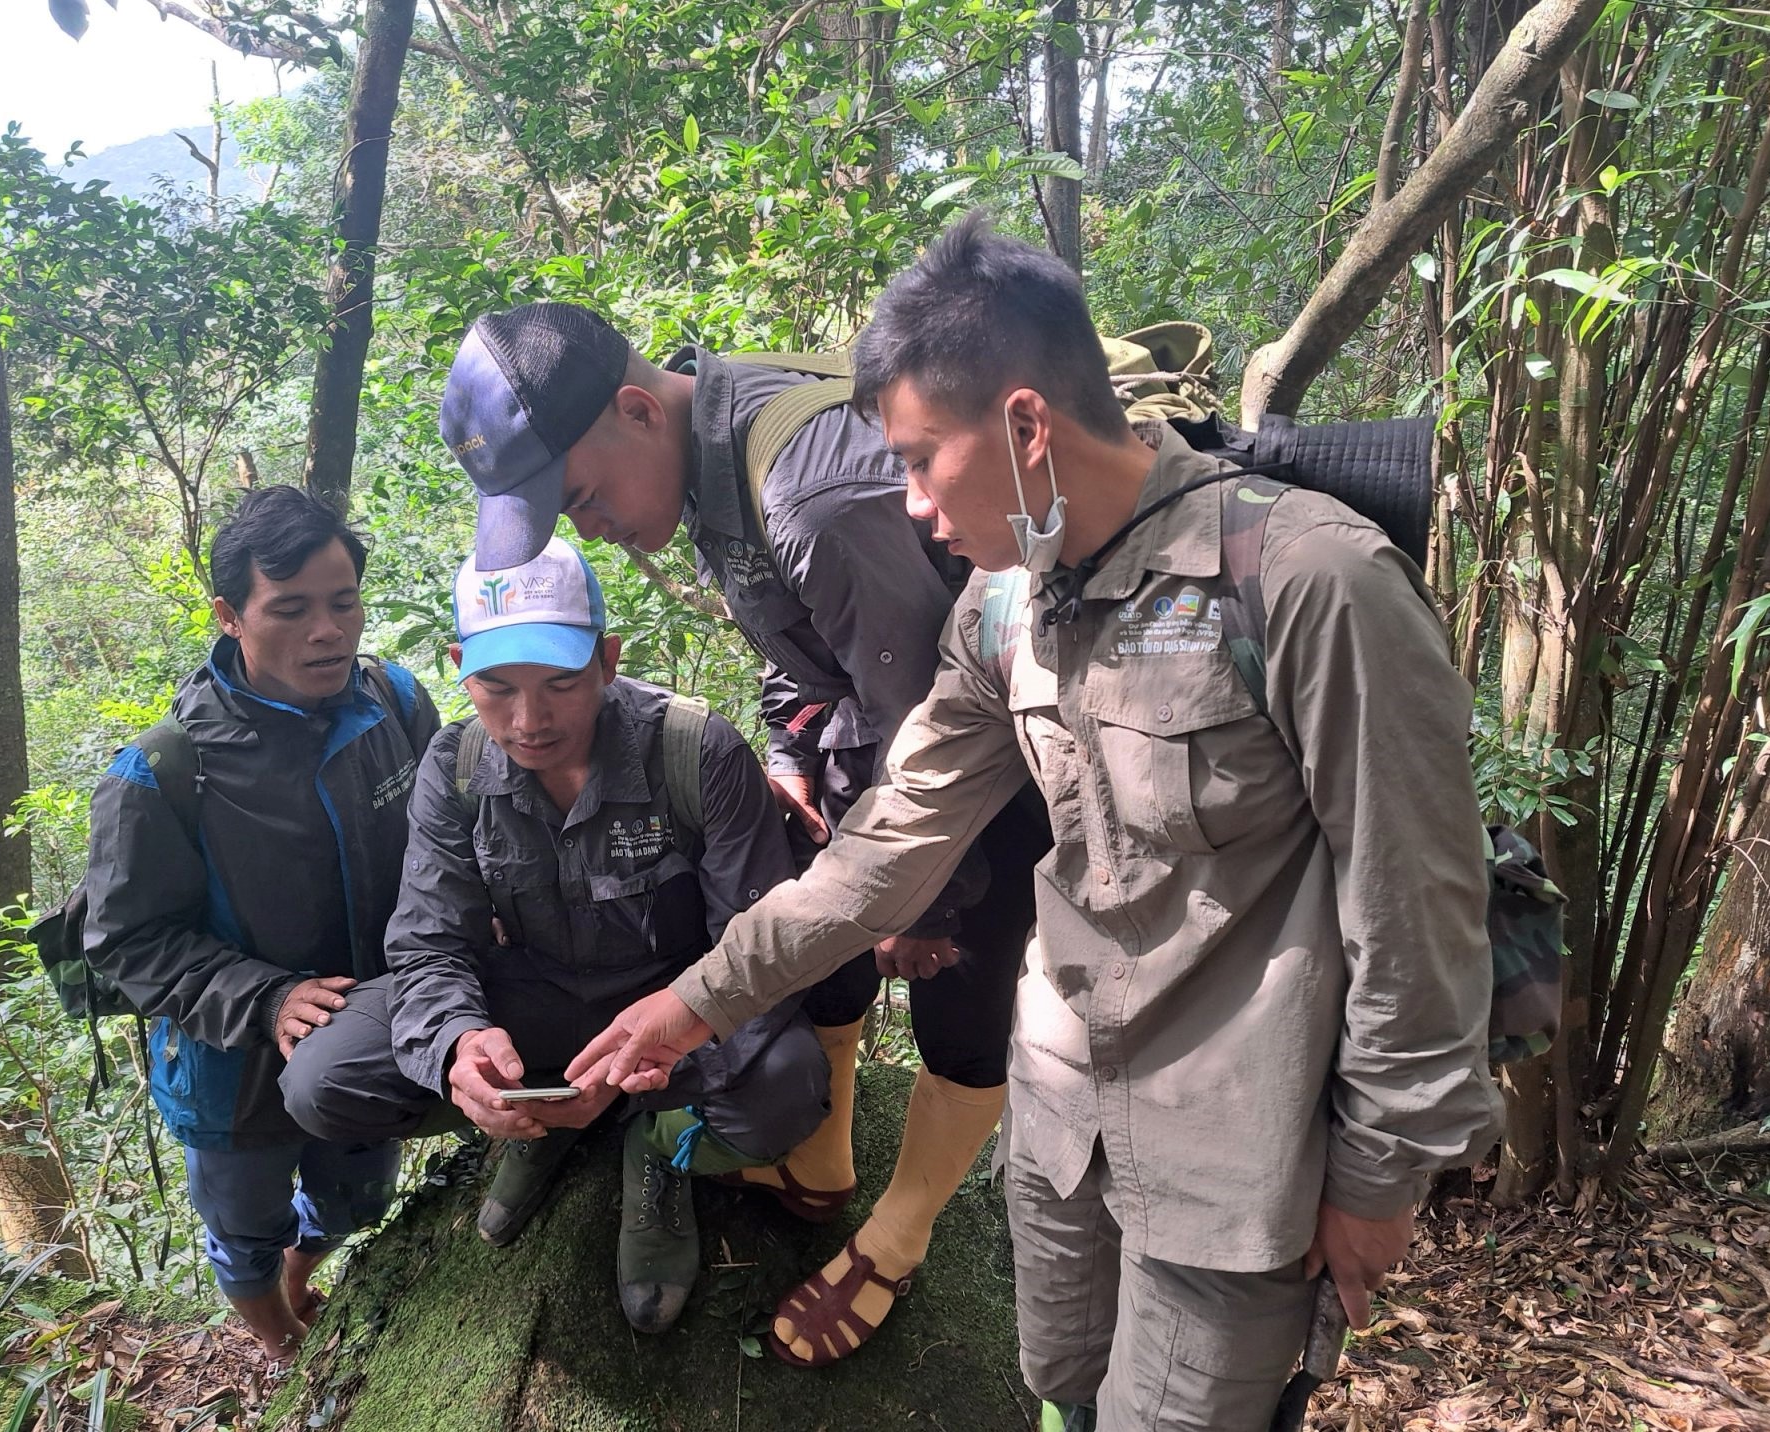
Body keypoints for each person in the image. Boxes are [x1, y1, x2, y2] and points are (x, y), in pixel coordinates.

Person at [565, 213, 1506, 1429]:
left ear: (1024, 426)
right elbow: (888, 845)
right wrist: (695, 1002)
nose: (910, 506)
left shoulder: (1311, 583)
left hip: (1237, 1165)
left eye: (921, 461)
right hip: (1065, 1128)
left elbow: (1416, 908)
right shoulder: (1005, 608)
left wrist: (1377, 1177)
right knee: (1059, 1381)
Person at [439, 297, 1050, 1367]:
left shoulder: (809, 493)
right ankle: (820, 1165)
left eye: (580, 498)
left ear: (636, 409)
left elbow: (941, 737)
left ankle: (896, 1241)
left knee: (958, 1001)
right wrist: (790, 754)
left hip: (987, 778)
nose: (587, 529)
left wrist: (925, 908)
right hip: (872, 752)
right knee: (824, 949)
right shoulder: (707, 452)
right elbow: (798, 638)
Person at [280, 537, 828, 1335]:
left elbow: (759, 951)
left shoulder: (694, 750)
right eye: (496, 688)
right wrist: (460, 1047)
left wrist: (658, 1054)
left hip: (670, 1010)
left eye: (561, 684)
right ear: (459, 668)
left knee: (785, 1090)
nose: (528, 721)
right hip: (530, 998)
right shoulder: (455, 765)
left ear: (606, 661)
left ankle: (655, 1143)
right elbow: (430, 942)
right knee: (324, 1081)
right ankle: (535, 1117)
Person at [83, 486, 440, 1361]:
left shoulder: (392, 705)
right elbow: (126, 939)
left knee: (356, 1198)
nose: (327, 631)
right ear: (229, 615)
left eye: (343, 602)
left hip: (371, 1030)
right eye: (290, 609)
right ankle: (284, 1349)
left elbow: (450, 837)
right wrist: (267, 999)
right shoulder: (163, 772)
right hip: (228, 1068)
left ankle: (302, 1277)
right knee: (243, 1225)